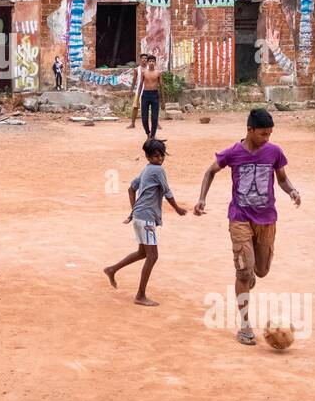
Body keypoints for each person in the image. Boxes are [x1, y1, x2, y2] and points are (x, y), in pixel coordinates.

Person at [194, 108, 302, 346]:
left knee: (260, 270)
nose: (267, 139)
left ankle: (251, 272)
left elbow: (282, 178)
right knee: (243, 271)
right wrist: (202, 198)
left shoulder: (274, 152)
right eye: (263, 134)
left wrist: (292, 190)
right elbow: (209, 172)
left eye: (270, 134)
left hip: (267, 219)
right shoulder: (233, 153)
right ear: (250, 130)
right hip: (239, 217)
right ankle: (244, 325)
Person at [103, 138, 187, 306]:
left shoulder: (146, 169)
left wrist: (134, 210)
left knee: (143, 252)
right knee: (152, 256)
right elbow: (167, 192)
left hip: (140, 216)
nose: (160, 159)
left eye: (161, 155)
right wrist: (177, 208)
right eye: (156, 156)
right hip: (146, 217)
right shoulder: (157, 170)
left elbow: (131, 188)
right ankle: (140, 295)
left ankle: (112, 269)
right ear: (149, 157)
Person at [138, 54, 163, 138]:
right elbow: (140, 85)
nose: (151, 63)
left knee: (154, 118)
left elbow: (161, 86)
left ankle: (153, 135)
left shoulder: (158, 73)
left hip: (155, 95)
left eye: (153, 61)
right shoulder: (144, 72)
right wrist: (138, 98)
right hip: (145, 95)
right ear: (148, 63)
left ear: (155, 63)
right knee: (144, 118)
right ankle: (148, 133)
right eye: (150, 61)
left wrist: (163, 101)